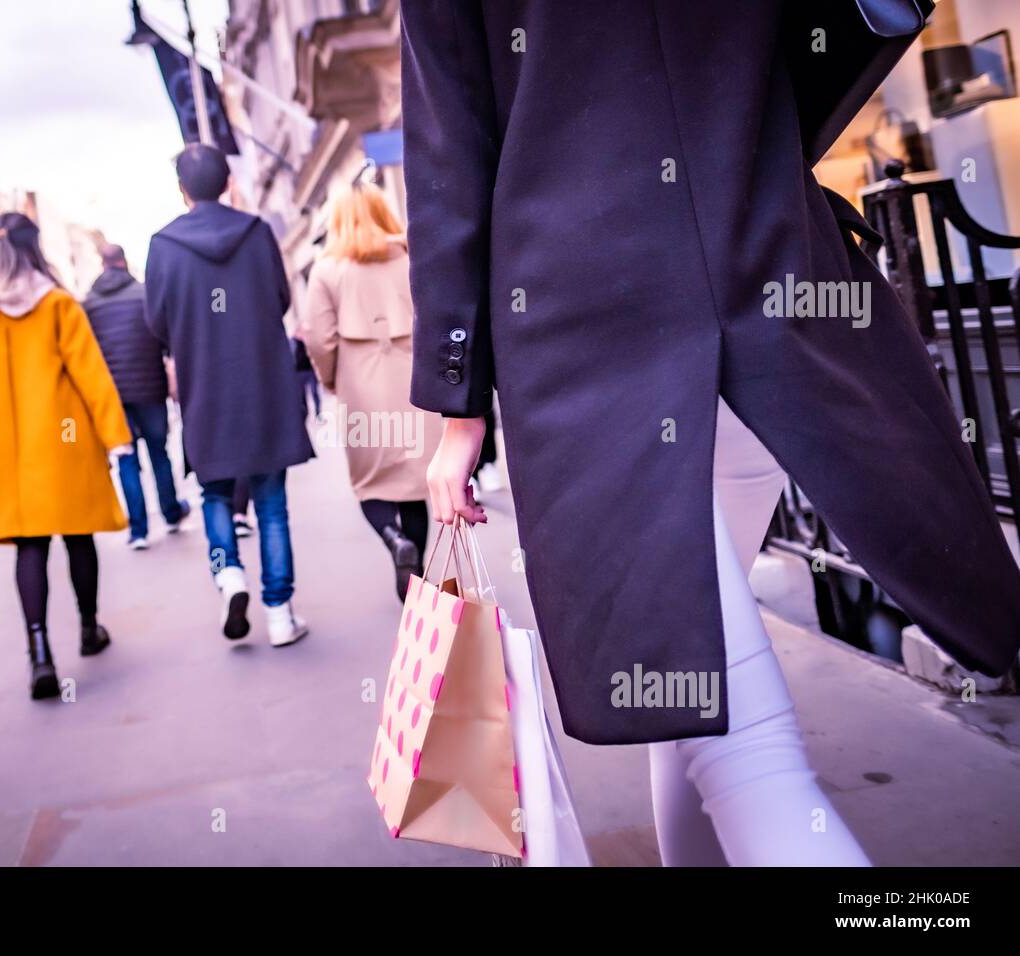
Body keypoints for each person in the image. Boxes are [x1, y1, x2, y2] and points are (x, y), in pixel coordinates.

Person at [401, 2, 1020, 866]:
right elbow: (832, 42)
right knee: (689, 669)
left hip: (590, 342)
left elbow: (448, 164)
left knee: (745, 747)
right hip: (770, 286)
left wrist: (456, 404)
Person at [0, 212, 132, 700]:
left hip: (6, 450)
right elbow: (90, 372)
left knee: (30, 547)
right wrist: (116, 435)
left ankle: (40, 654)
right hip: (61, 439)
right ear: (34, 248)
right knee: (77, 535)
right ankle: (89, 629)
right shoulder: (55, 301)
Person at [145, 144, 314, 647]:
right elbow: (281, 299)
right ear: (227, 183)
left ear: (182, 190)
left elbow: (156, 323)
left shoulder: (163, 245)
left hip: (206, 387)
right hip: (263, 383)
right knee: (271, 503)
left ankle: (228, 574)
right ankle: (280, 612)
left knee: (215, 493)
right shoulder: (257, 232)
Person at [303, 181, 442, 602]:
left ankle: (393, 539)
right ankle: (416, 577)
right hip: (412, 379)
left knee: (370, 483)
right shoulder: (410, 255)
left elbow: (318, 338)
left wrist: (330, 380)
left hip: (360, 383)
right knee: (414, 483)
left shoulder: (326, 270)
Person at [83, 243, 189, 550]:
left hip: (112, 396)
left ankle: (139, 530)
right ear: (124, 261)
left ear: (102, 264)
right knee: (159, 453)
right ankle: (170, 513)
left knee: (126, 460)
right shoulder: (145, 294)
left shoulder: (88, 303)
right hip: (150, 388)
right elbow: (164, 336)